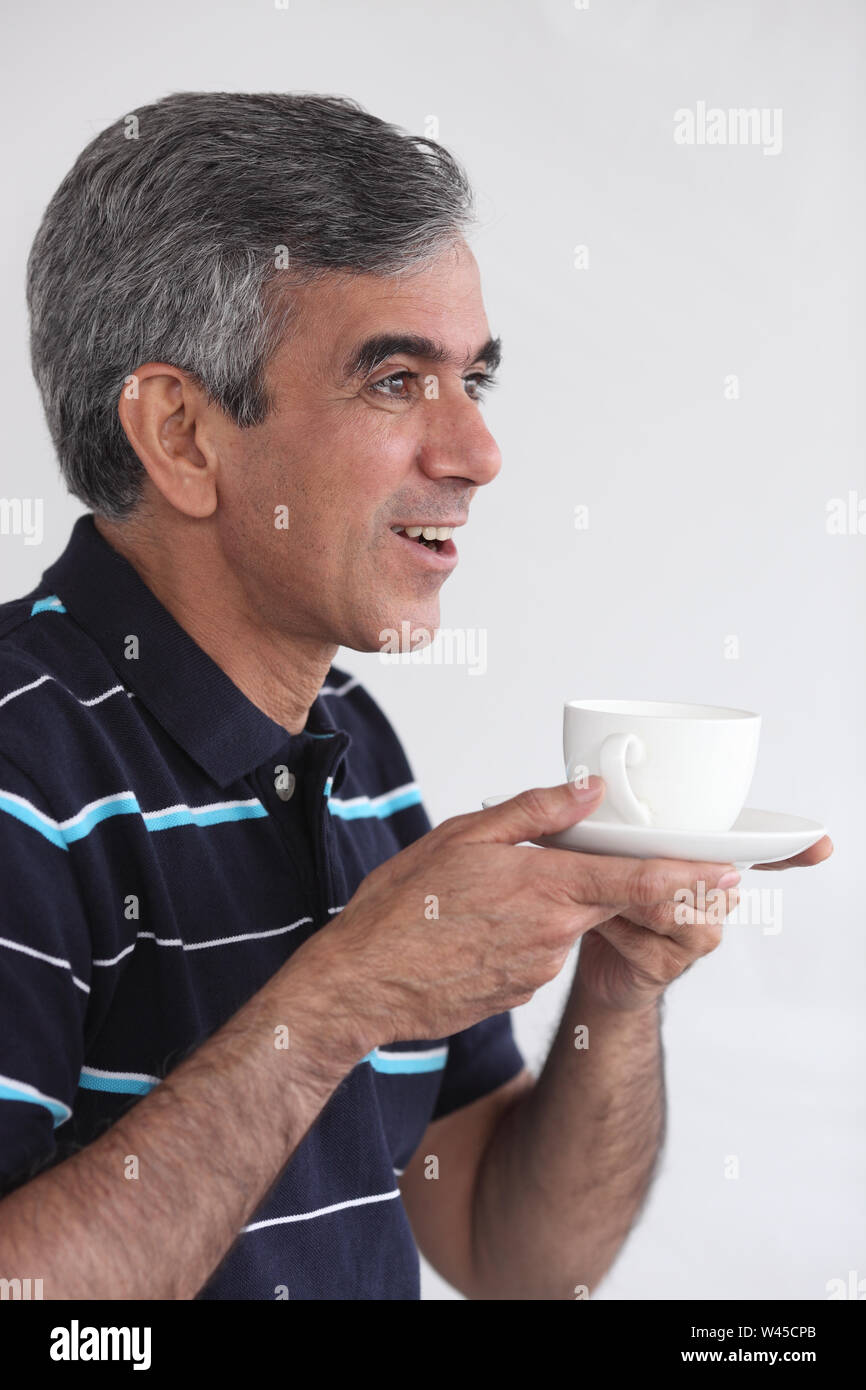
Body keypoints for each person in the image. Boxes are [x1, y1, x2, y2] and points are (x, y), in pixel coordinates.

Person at [0, 92, 831, 1301]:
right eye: (395, 380)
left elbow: (511, 1258)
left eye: (471, 380)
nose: (476, 453)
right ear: (180, 434)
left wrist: (617, 986)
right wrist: (346, 994)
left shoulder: (348, 738)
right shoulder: (20, 771)